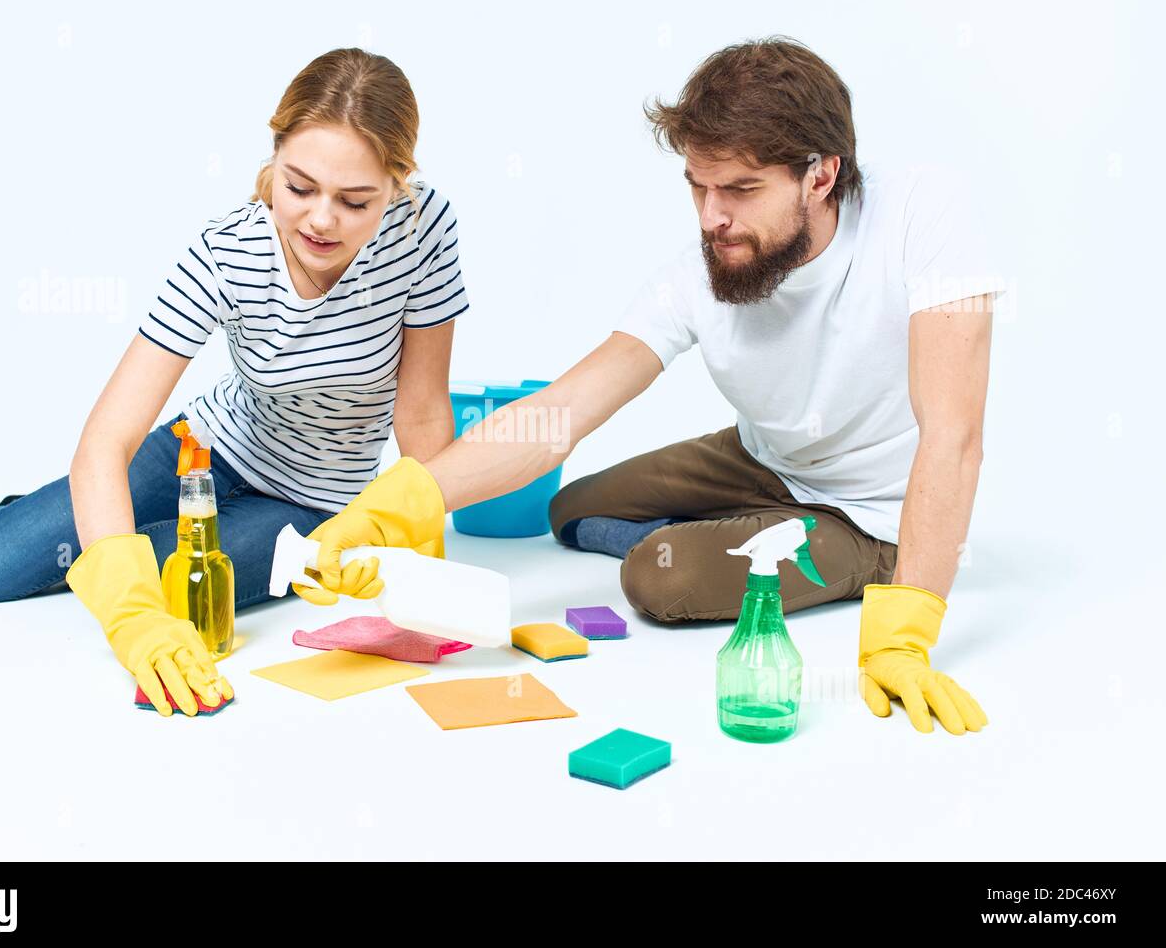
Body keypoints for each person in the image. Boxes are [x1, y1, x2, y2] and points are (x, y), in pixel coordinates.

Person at [302, 37, 1001, 736]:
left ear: (820, 176)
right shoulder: (697, 273)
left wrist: (905, 628)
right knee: (571, 512)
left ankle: (830, 552)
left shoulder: (922, 214)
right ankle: (752, 528)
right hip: (764, 459)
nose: (711, 217)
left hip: (871, 509)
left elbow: (953, 434)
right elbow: (559, 414)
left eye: (740, 190)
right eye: (698, 186)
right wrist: (399, 501)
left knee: (658, 578)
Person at [0, 48, 469, 716]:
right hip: (204, 450)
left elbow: (420, 410)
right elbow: (108, 436)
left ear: (396, 184)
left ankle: (87, 524)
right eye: (299, 187)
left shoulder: (425, 229)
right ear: (274, 157)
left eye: (354, 200)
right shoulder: (227, 252)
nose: (320, 220)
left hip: (314, 506)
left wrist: (421, 558)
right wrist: (128, 616)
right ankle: (44, 515)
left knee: (171, 577)